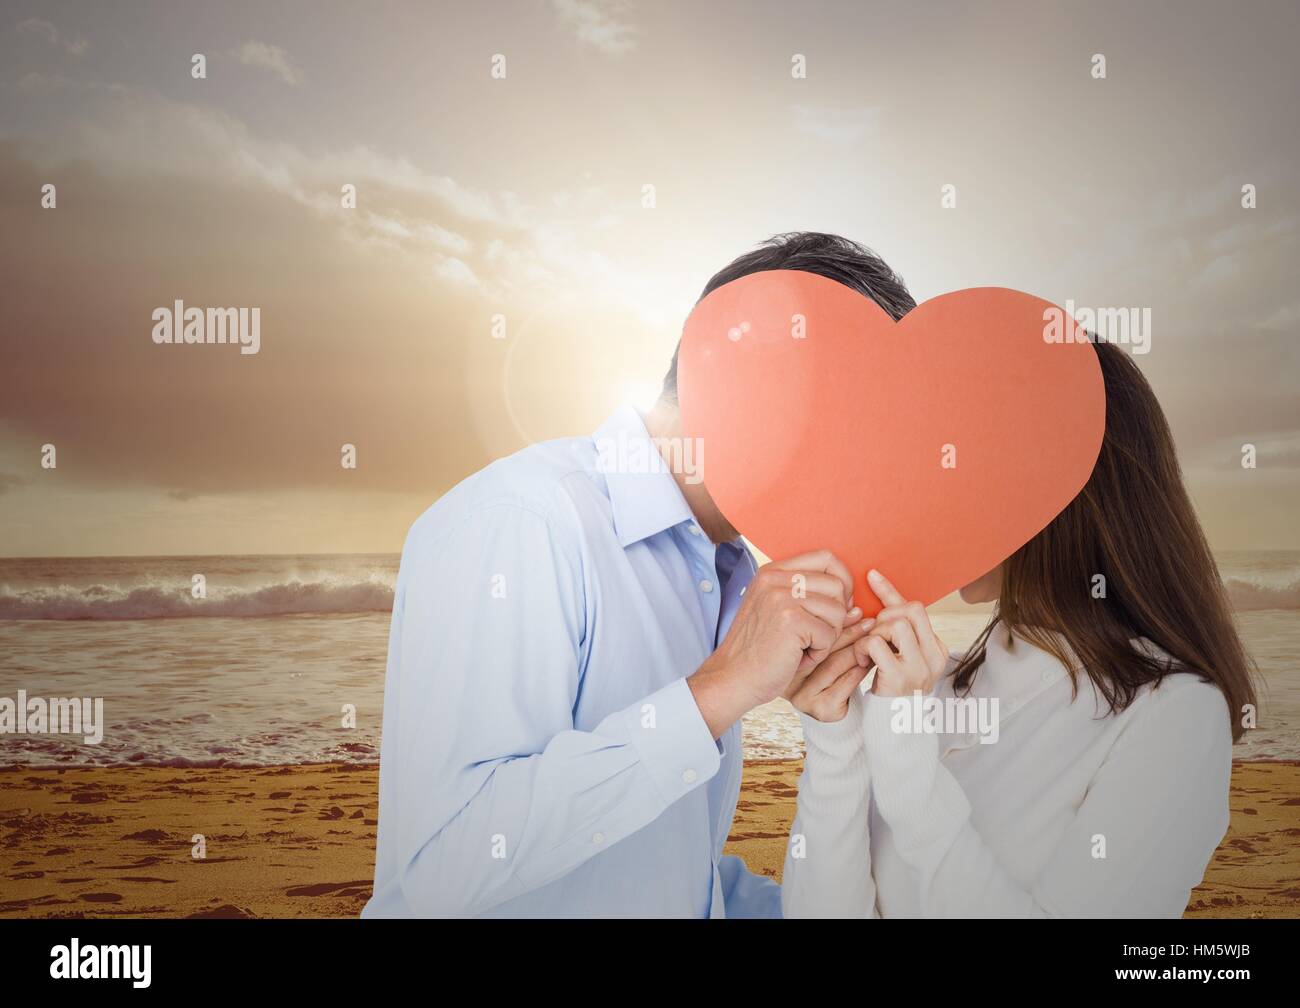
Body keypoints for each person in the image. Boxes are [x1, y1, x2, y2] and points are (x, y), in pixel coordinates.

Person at [364, 233, 913, 917]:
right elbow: (439, 869)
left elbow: (664, 870)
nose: (870, 470)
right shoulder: (521, 520)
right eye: (859, 421)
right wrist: (718, 689)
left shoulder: (725, 567)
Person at [782, 339, 1258, 918]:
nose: (930, 497)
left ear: (1053, 494)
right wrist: (836, 740)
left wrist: (907, 763)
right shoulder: (928, 688)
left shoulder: (1175, 715)